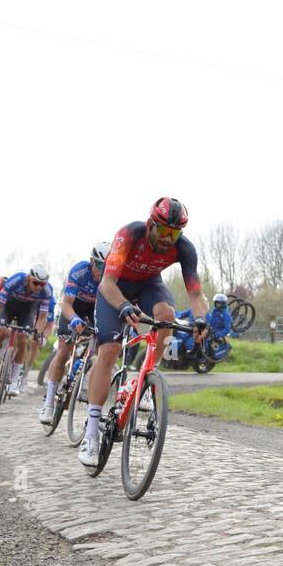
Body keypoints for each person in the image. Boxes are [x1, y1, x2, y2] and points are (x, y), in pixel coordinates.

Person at [78, 198, 209, 466]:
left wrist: (200, 320)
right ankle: (91, 432)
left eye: (174, 233)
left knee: (166, 317)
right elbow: (107, 282)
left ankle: (146, 379)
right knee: (110, 350)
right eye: (162, 231)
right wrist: (123, 305)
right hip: (114, 289)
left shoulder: (184, 249)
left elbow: (195, 293)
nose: (167, 239)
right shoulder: (129, 235)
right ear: (151, 224)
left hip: (149, 285)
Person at [39, 243, 109, 425]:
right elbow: (66, 304)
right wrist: (75, 319)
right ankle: (48, 403)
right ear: (92, 261)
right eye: (100, 265)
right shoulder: (80, 271)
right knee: (64, 351)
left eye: (107, 266)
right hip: (74, 307)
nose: (102, 270)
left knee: (101, 350)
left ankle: (85, 382)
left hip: (95, 310)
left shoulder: (110, 277)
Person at [0, 266, 53, 397]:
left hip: (27, 311)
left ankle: (14, 381)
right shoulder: (16, 280)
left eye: (42, 284)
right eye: (36, 283)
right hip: (8, 307)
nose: (39, 287)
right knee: (0, 332)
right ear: (28, 278)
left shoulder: (46, 291)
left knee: (23, 340)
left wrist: (37, 333)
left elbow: (42, 317)